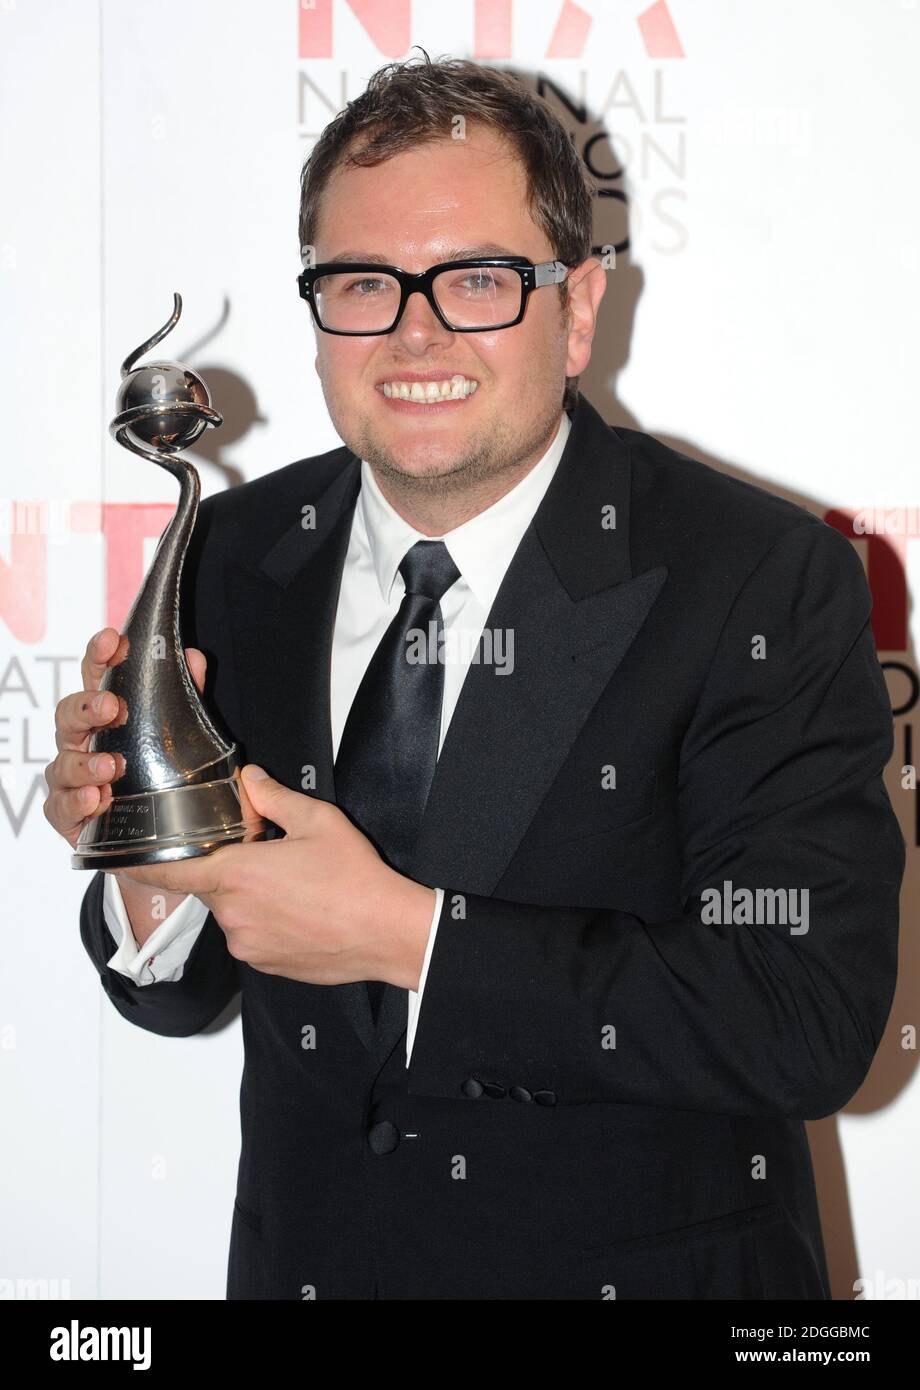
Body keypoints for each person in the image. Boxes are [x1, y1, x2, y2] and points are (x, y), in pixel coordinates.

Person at [44, 54, 903, 1300]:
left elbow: (804, 1015)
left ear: (576, 307)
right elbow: (188, 999)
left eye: (479, 279)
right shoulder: (230, 558)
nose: (414, 331)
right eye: (362, 284)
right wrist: (152, 874)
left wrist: (409, 938)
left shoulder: (756, 579)